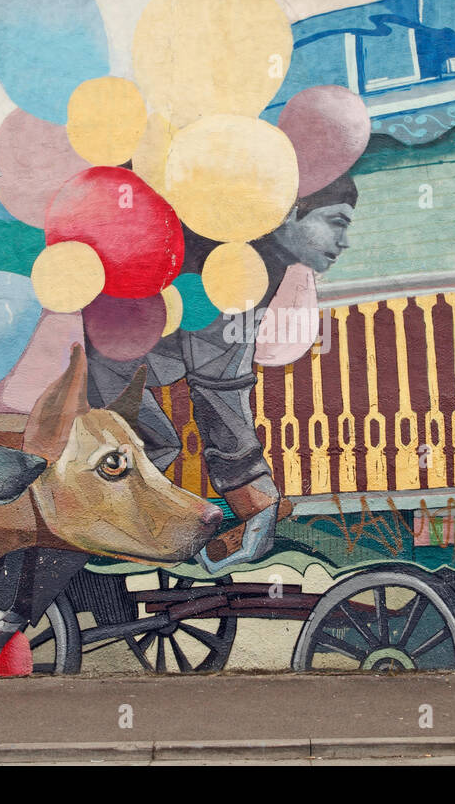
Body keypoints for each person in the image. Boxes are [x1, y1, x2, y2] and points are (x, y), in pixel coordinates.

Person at [85, 173, 357, 572]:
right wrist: (257, 503)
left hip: (109, 360)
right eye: (337, 222)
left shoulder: (255, 259)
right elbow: (220, 390)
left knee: (154, 451)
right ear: (290, 215)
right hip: (95, 364)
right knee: (151, 451)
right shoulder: (238, 263)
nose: (343, 242)